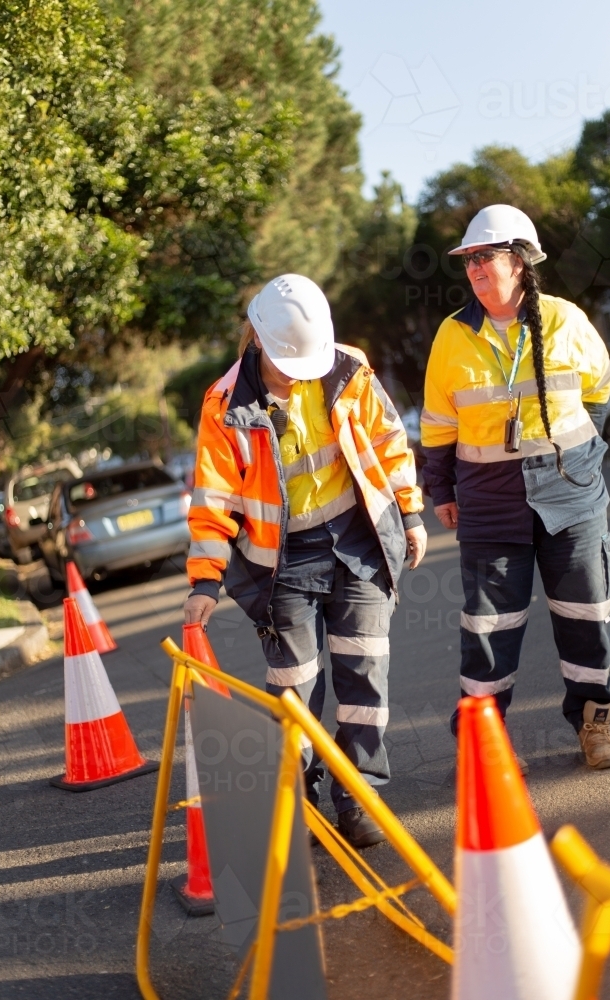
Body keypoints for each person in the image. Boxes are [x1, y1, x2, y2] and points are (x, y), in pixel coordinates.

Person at [184, 273, 427, 847]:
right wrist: (204, 581)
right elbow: (213, 498)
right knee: (297, 688)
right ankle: (303, 796)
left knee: (364, 669)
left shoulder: (347, 369)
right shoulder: (225, 405)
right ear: (260, 341)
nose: (302, 376)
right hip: (282, 563)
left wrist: (410, 513)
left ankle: (359, 793)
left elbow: (390, 441)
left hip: (356, 540)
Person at [421, 204, 610, 771]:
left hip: (571, 493)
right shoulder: (452, 336)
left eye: (485, 257)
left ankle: (595, 724)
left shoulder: (564, 320)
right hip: (490, 501)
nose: (475, 269)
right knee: (488, 630)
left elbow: (597, 390)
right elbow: (438, 424)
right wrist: (442, 489)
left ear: (520, 261)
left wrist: (577, 458)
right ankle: (484, 747)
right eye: (469, 261)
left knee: (586, 616)